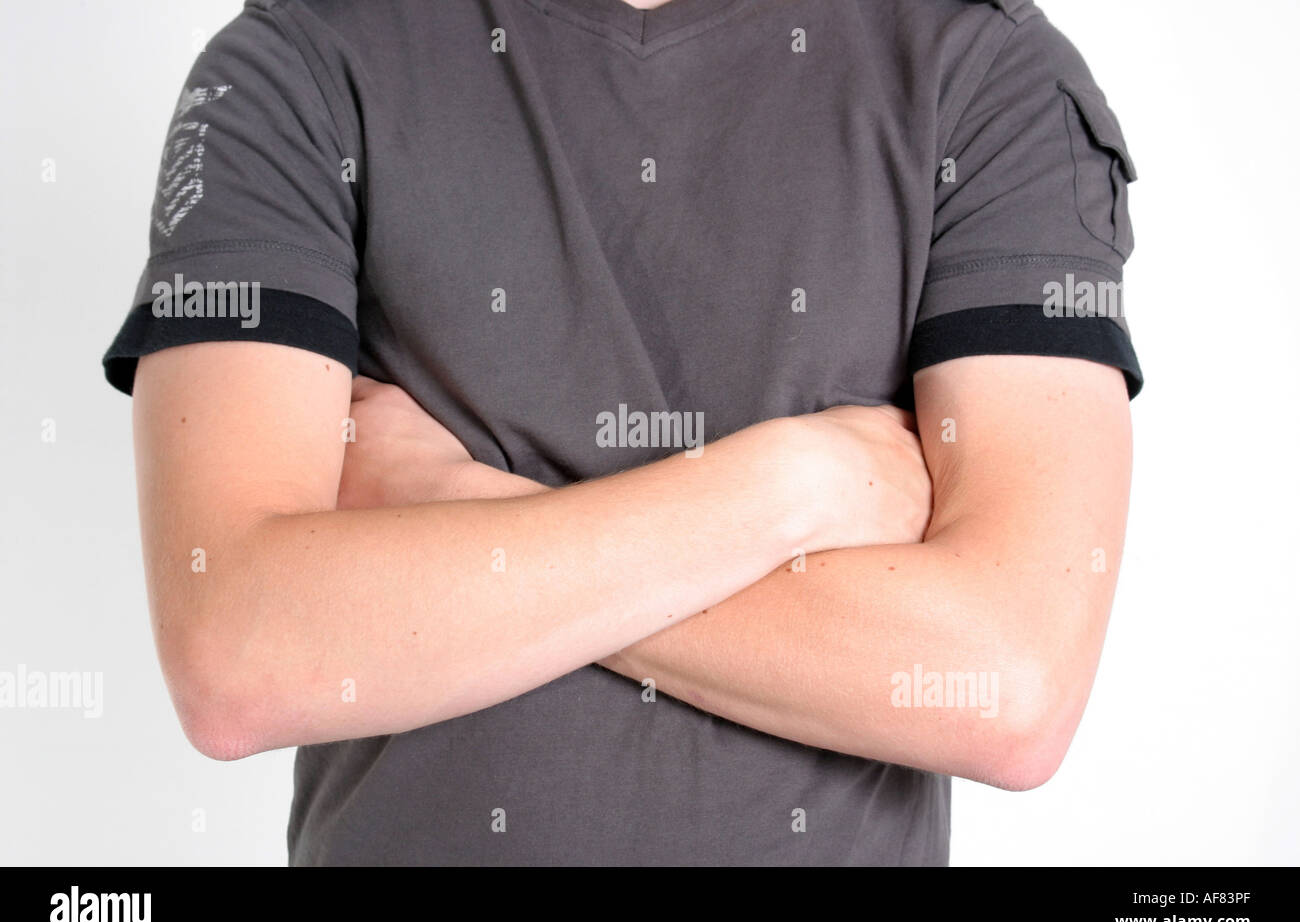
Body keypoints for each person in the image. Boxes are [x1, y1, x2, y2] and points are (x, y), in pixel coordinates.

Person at [102, 0, 1142, 865]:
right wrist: (786, 489)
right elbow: (239, 653)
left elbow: (1009, 682)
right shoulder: (296, 65)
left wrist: (464, 507)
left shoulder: (985, 76)